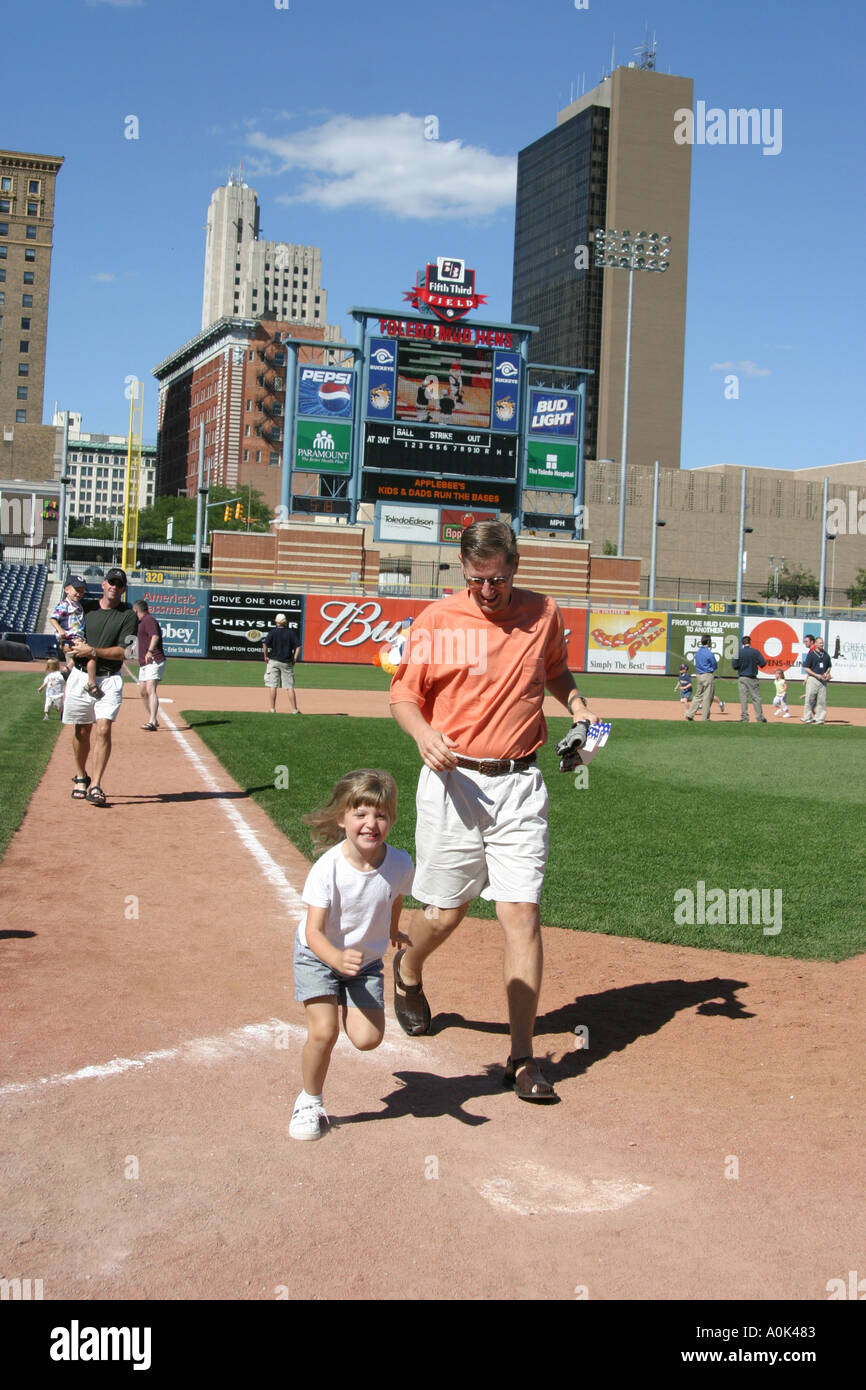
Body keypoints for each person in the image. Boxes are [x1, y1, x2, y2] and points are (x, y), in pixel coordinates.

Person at [389, 520, 596, 1103]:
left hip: (521, 783)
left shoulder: (544, 613)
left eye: (499, 579)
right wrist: (423, 733)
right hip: (454, 782)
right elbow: (404, 694)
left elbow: (554, 671)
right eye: (478, 579)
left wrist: (581, 712)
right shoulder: (438, 621)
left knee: (522, 916)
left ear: (516, 565)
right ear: (463, 569)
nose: (489, 590)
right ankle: (407, 969)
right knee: (446, 913)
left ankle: (523, 1059)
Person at [290, 769, 414, 1141]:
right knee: (324, 1031)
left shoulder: (400, 863)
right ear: (343, 818)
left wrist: (392, 931)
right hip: (318, 954)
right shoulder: (327, 868)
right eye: (360, 814)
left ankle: (343, 996)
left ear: (391, 819)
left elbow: (395, 896)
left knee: (367, 1038)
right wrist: (335, 960)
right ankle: (309, 1101)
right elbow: (313, 932)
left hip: (363, 962)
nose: (371, 823)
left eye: (381, 815)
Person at [62, 567, 139, 807]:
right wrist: (68, 647)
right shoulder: (85, 608)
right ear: (104, 585)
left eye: (119, 584)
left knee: (103, 729)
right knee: (81, 730)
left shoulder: (127, 614)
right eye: (111, 582)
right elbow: (67, 634)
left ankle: (96, 784)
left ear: (124, 589)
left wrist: (93, 651)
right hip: (81, 676)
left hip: (110, 678)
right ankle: (80, 776)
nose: (114, 586)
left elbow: (125, 652)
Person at [132, 600, 166, 731]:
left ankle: (152, 721)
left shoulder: (149, 620)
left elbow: (155, 636)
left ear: (136, 610)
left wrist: (150, 651)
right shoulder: (141, 622)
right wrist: (135, 645)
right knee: (143, 691)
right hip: (145, 662)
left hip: (154, 660)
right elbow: (142, 637)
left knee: (150, 689)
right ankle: (153, 719)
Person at [262, 612, 301, 713]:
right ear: (285, 622)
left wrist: (265, 656)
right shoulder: (290, 632)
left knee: (272, 685)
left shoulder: (273, 632)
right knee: (289, 687)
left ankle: (272, 708)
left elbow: (265, 644)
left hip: (274, 661)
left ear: (276, 622)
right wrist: (295, 658)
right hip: (286, 662)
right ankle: (294, 709)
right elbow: (298, 646)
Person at [49, 577, 87, 677]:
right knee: (75, 669)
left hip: (78, 637)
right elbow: (53, 619)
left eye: (82, 592)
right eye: (77, 590)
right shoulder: (64, 604)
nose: (79, 594)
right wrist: (60, 630)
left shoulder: (78, 605)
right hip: (69, 639)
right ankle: (67, 670)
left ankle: (69, 669)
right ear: (66, 590)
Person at [732, 635, 767, 722]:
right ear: (750, 642)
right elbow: (763, 663)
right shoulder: (755, 652)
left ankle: (745, 717)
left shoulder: (738, 652)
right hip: (752, 678)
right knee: (756, 698)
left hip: (742, 677)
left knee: (743, 698)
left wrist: (741, 667)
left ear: (742, 643)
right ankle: (759, 717)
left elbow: (734, 665)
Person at [684, 635, 718, 721]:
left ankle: (689, 714)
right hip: (708, 675)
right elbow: (714, 665)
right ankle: (705, 718)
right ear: (708, 642)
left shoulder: (698, 652)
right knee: (707, 697)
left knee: (698, 696)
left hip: (699, 676)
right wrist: (711, 669)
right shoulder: (709, 653)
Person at [802, 636, 832, 725]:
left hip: (822, 680)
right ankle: (807, 717)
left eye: (822, 642)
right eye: (819, 642)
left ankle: (820, 719)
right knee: (809, 699)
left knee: (822, 700)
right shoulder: (811, 654)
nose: (821, 644)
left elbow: (829, 666)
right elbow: (806, 668)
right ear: (815, 644)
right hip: (813, 679)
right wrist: (815, 675)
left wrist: (827, 673)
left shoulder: (826, 655)